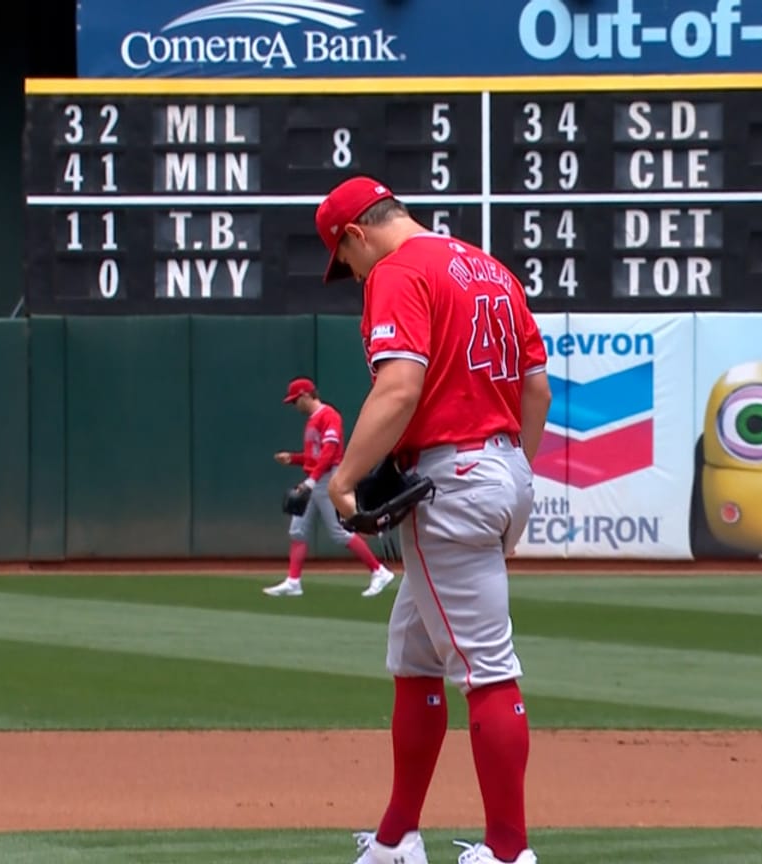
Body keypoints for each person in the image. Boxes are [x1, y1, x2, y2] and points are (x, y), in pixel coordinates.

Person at [317, 176, 551, 864]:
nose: (352, 273)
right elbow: (536, 387)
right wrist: (513, 473)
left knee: (487, 669)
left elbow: (399, 387)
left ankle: (509, 852)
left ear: (357, 234)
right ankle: (395, 841)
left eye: (345, 259)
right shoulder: (489, 268)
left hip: (449, 478)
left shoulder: (396, 271)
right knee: (415, 653)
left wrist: (346, 476)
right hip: (504, 466)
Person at [264, 376, 397, 598]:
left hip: (328, 479)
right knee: (297, 530)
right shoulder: (313, 420)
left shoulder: (328, 416)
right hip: (315, 479)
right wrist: (295, 459)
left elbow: (329, 452)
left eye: (295, 401)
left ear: (306, 395)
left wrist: (312, 480)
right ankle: (293, 581)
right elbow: (314, 456)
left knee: (339, 532)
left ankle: (379, 571)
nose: (294, 406)